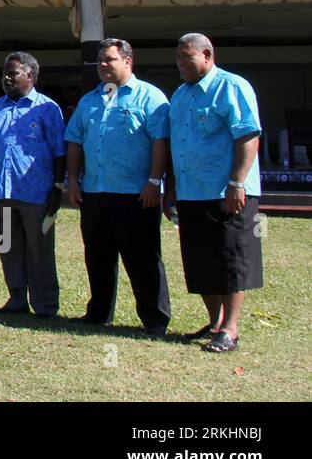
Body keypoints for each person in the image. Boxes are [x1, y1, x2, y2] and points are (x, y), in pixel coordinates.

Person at [64, 38, 172, 334]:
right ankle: (99, 313)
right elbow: (74, 140)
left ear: (128, 61)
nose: (102, 66)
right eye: (99, 61)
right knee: (97, 257)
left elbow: (160, 142)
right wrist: (73, 180)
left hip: (136, 194)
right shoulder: (89, 101)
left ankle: (155, 319)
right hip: (95, 192)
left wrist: (154, 181)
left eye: (109, 60)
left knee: (143, 259)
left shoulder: (150, 97)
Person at [169, 33, 263, 354]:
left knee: (231, 260)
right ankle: (214, 322)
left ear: (207, 55)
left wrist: (237, 183)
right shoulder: (180, 95)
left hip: (227, 192)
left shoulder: (232, 87)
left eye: (186, 56)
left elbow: (248, 135)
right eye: (178, 58)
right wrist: (171, 190)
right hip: (191, 192)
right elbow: (176, 145)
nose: (180, 63)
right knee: (201, 262)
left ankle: (231, 330)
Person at [0, 52, 66, 317]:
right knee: (8, 249)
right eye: (5, 73)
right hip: (2, 191)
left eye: (12, 73)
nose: (7, 78)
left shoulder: (48, 109)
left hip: (36, 193)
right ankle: (16, 299)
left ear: (30, 76)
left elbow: (60, 151)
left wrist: (58, 187)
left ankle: (45, 305)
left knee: (40, 251)